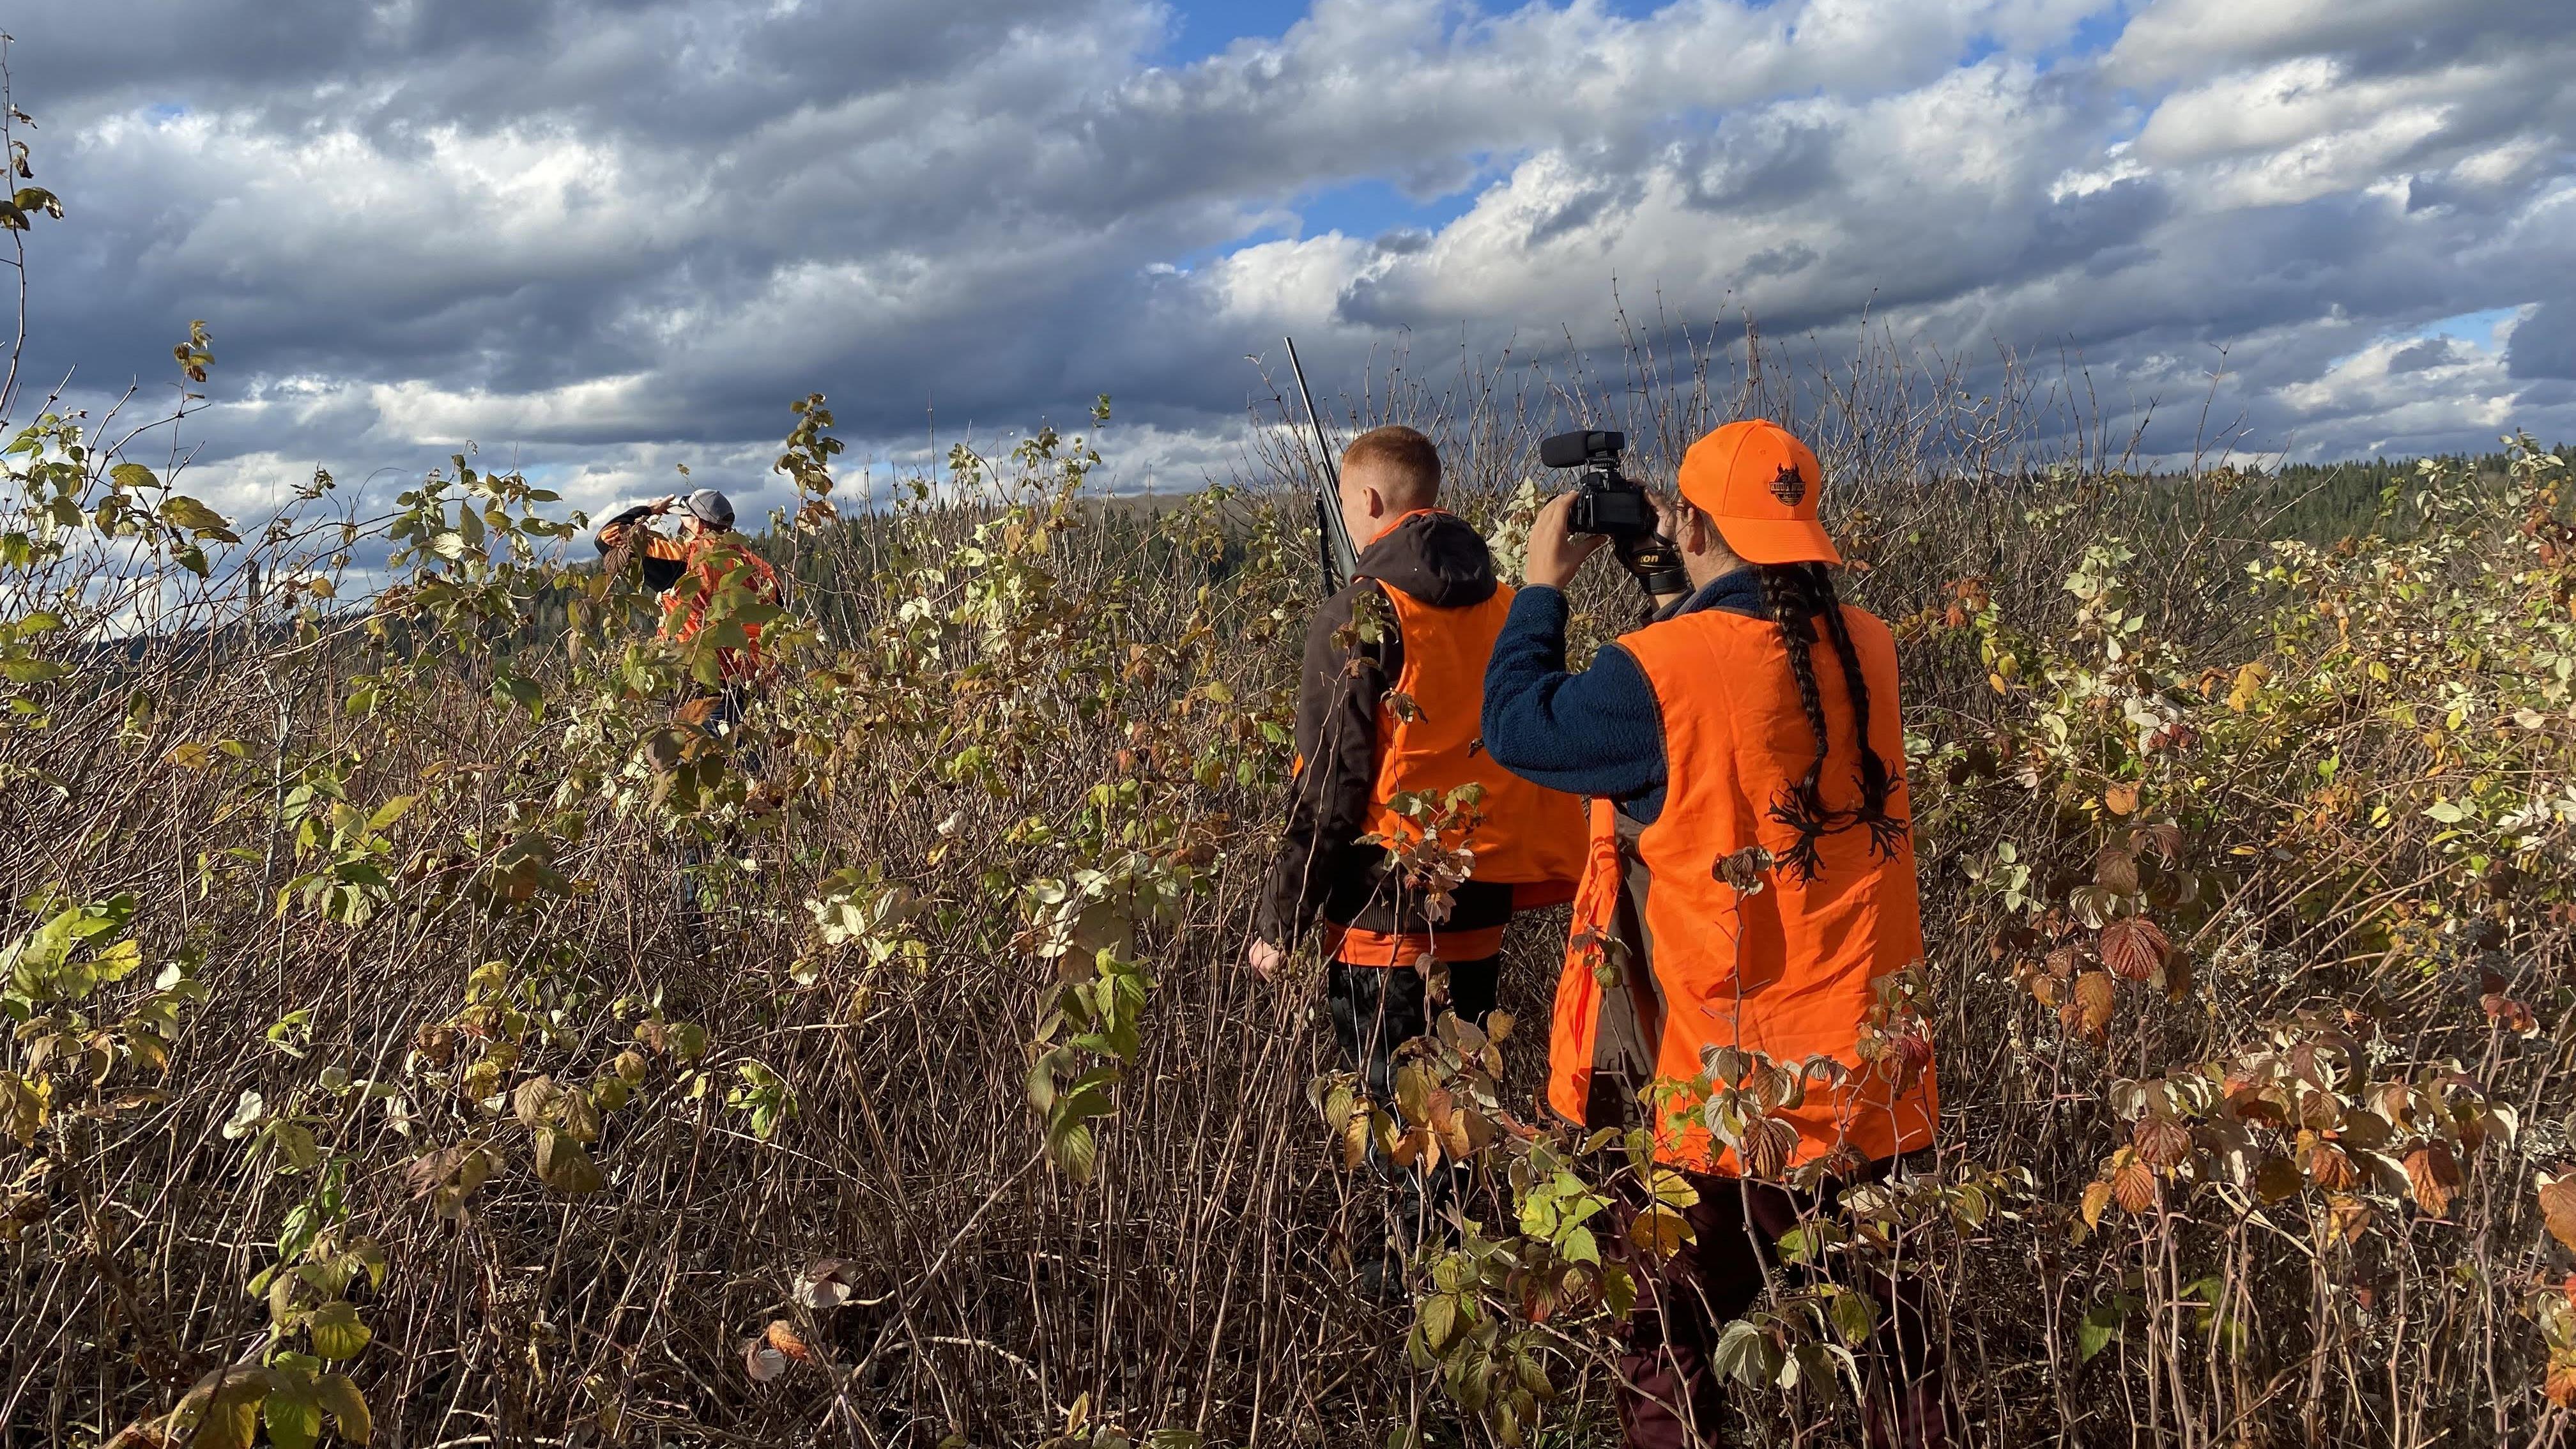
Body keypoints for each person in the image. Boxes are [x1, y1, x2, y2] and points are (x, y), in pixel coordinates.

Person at [1481, 419, 1947, 1448]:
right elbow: (1736, 709)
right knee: (1895, 1351)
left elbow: (1520, 726)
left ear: (1689, 520)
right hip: (1867, 1075)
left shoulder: (1667, 668)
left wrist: (1543, 585)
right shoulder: (1864, 644)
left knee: (1664, 1339)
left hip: (1724, 1092)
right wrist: (1674, 588)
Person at [1245, 425, 1584, 1268]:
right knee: (1458, 1116)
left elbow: (1329, 784)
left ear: (1364, 500)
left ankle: (1411, 1309)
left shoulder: (1362, 612)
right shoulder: (1510, 605)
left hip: (1383, 919)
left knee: (1394, 1127)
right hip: (1478, 906)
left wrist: (1278, 921)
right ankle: (1462, 1292)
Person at [594, 487, 783, 695]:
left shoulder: (686, 557)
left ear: (697, 522)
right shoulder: (758, 566)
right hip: (755, 682)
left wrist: (649, 510)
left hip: (699, 675)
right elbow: (778, 623)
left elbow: (607, 538)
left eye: (684, 517)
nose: (681, 523)